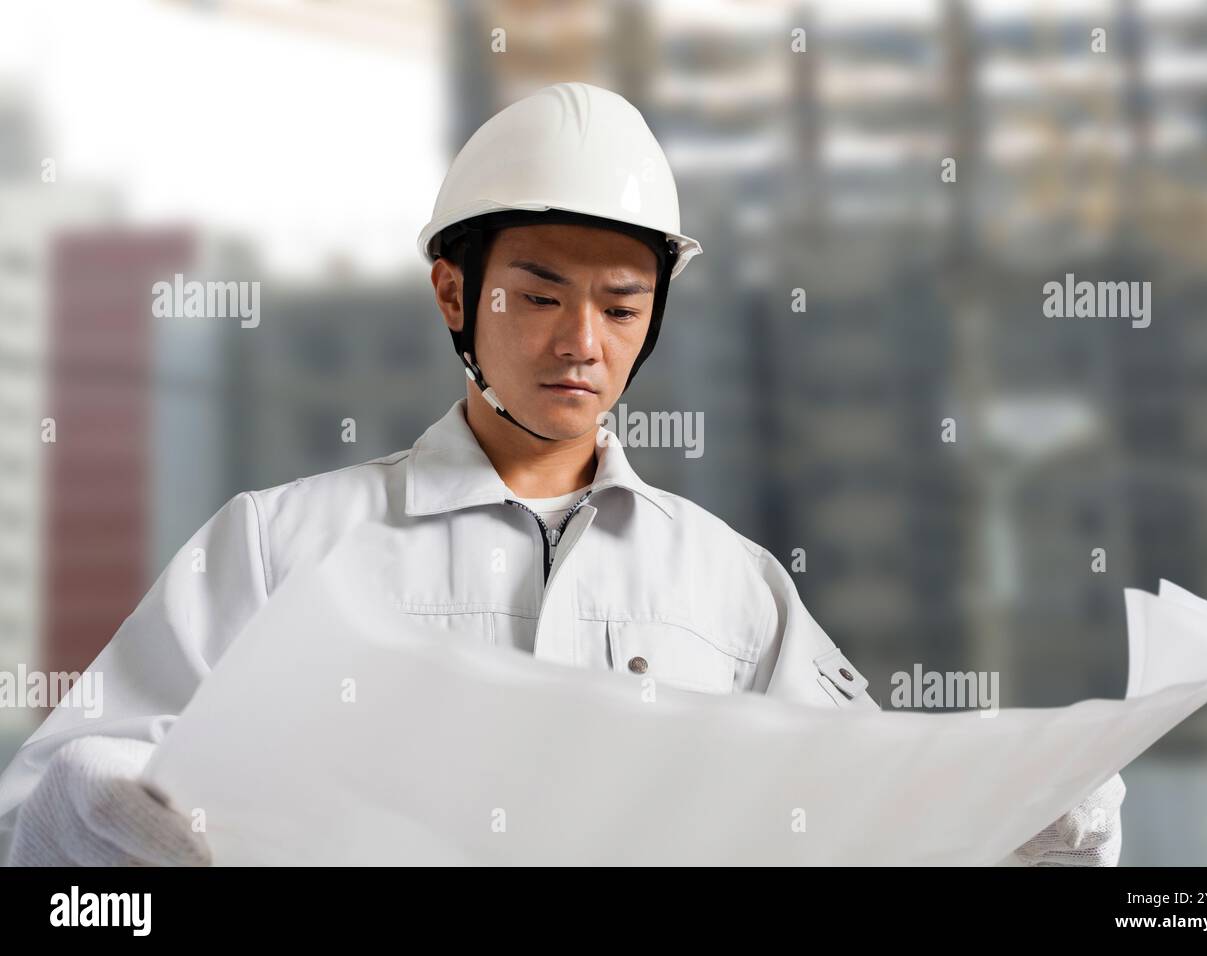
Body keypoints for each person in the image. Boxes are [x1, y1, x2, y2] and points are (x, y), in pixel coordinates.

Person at [0, 82, 1123, 867]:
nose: (579, 341)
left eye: (620, 305)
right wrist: (87, 828)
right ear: (454, 296)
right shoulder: (279, 543)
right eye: (536, 295)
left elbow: (858, 825)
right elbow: (40, 837)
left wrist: (1016, 824)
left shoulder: (729, 588)